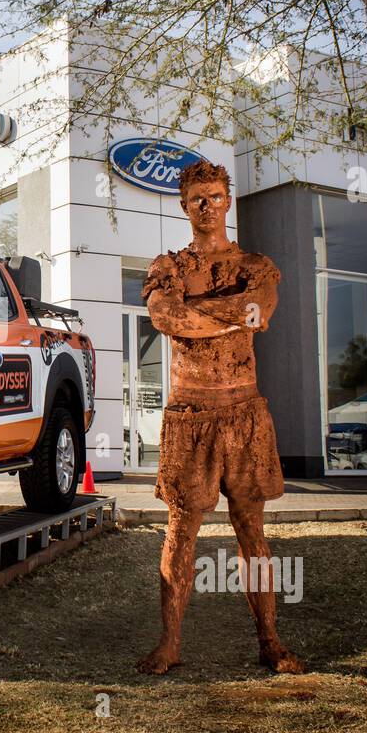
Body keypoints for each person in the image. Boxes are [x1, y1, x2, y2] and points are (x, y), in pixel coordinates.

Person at [136, 158, 305, 675]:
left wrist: (200, 318)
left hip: (244, 412)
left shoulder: (254, 264)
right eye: (196, 199)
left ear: (228, 201)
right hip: (190, 412)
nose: (207, 206)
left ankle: (270, 640)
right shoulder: (169, 267)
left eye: (215, 196)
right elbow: (166, 317)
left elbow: (261, 311)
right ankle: (170, 644)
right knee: (180, 528)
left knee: (251, 528)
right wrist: (229, 318)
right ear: (184, 206)